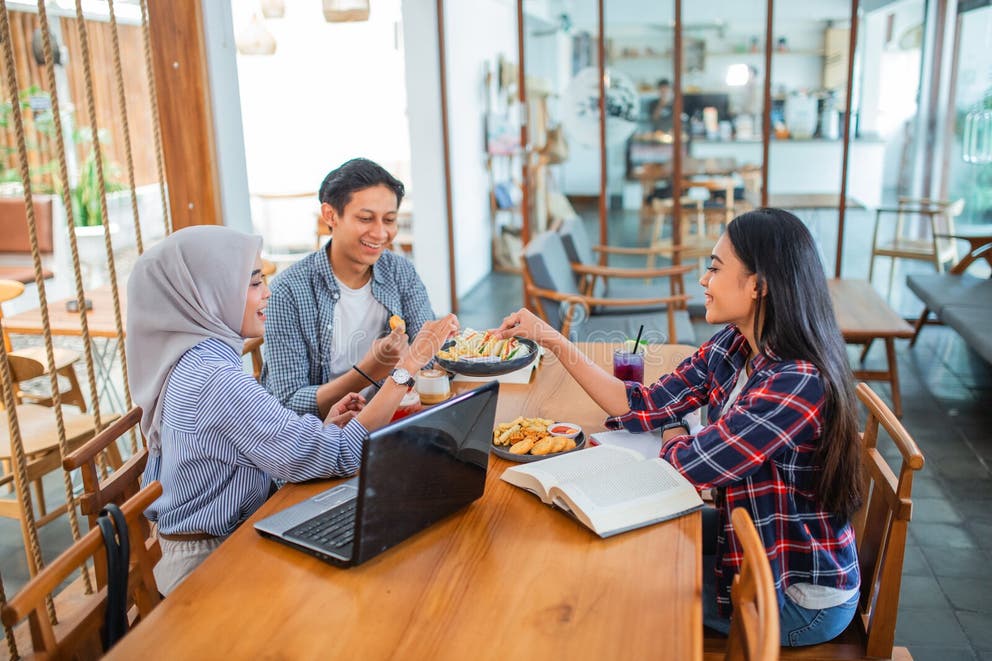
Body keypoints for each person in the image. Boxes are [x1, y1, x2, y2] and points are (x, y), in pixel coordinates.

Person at [492, 208, 863, 647]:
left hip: (793, 593)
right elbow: (643, 404)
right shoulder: (736, 342)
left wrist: (674, 430)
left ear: (758, 285)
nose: (704, 281)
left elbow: (684, 467)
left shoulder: (796, 382)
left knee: (614, 596)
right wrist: (551, 337)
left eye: (715, 268)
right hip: (748, 540)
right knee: (612, 545)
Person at [125, 225, 457, 594]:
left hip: (235, 529)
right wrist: (409, 366)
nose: (268, 294)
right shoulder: (213, 379)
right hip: (210, 562)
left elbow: (270, 442)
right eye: (253, 283)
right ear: (206, 293)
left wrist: (325, 428)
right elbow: (344, 453)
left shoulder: (199, 355)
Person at [262, 158, 435, 418]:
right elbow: (289, 401)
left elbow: (428, 356)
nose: (380, 233)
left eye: (389, 220)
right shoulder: (288, 292)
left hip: (390, 419)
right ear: (331, 215)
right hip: (322, 435)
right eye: (366, 218)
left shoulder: (400, 271)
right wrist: (368, 372)